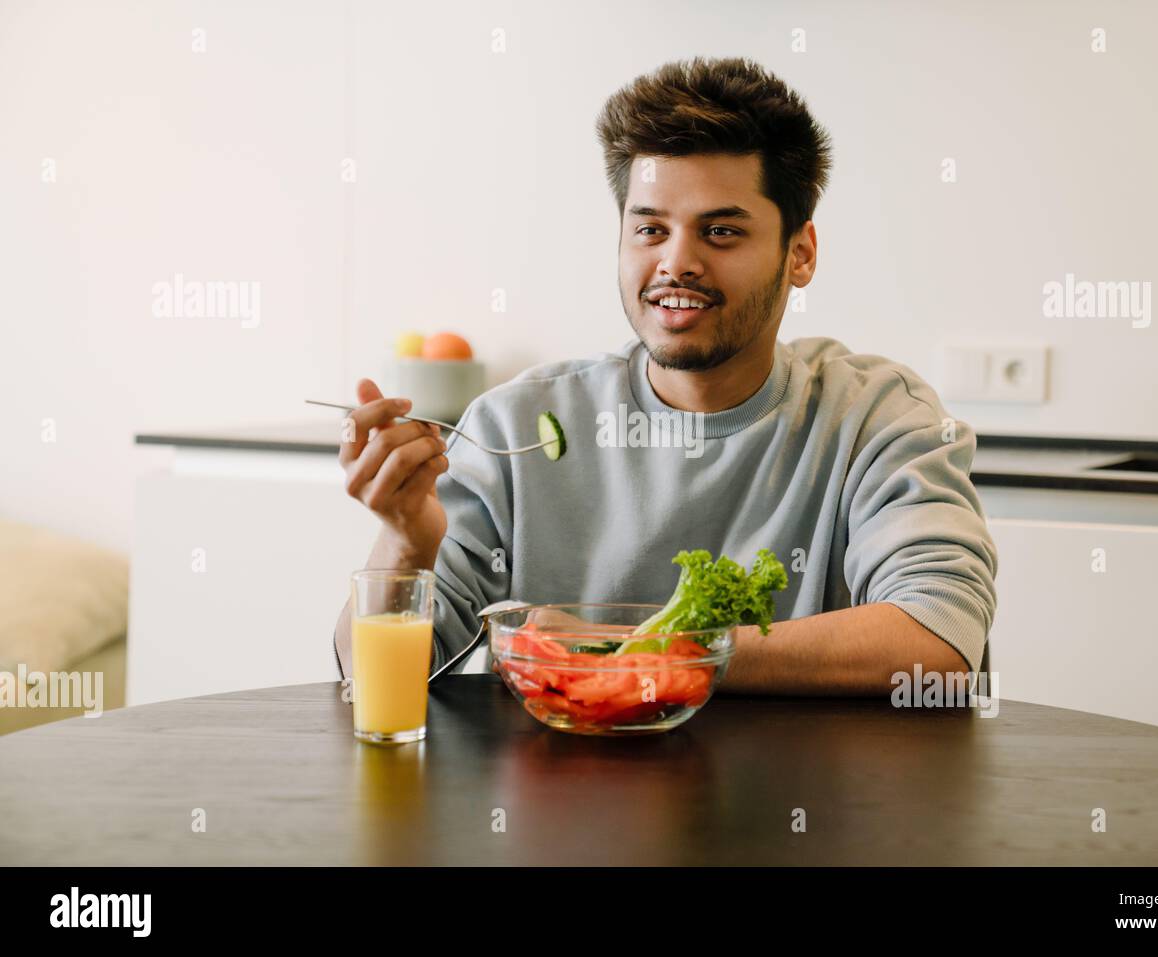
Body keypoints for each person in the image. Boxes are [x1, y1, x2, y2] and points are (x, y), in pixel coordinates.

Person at [333, 56, 997, 695]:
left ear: (800, 253)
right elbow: (370, 679)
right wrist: (406, 545)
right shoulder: (514, 425)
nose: (677, 262)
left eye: (721, 232)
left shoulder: (875, 417)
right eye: (650, 230)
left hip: (800, 806)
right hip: (561, 805)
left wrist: (627, 651)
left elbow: (935, 640)